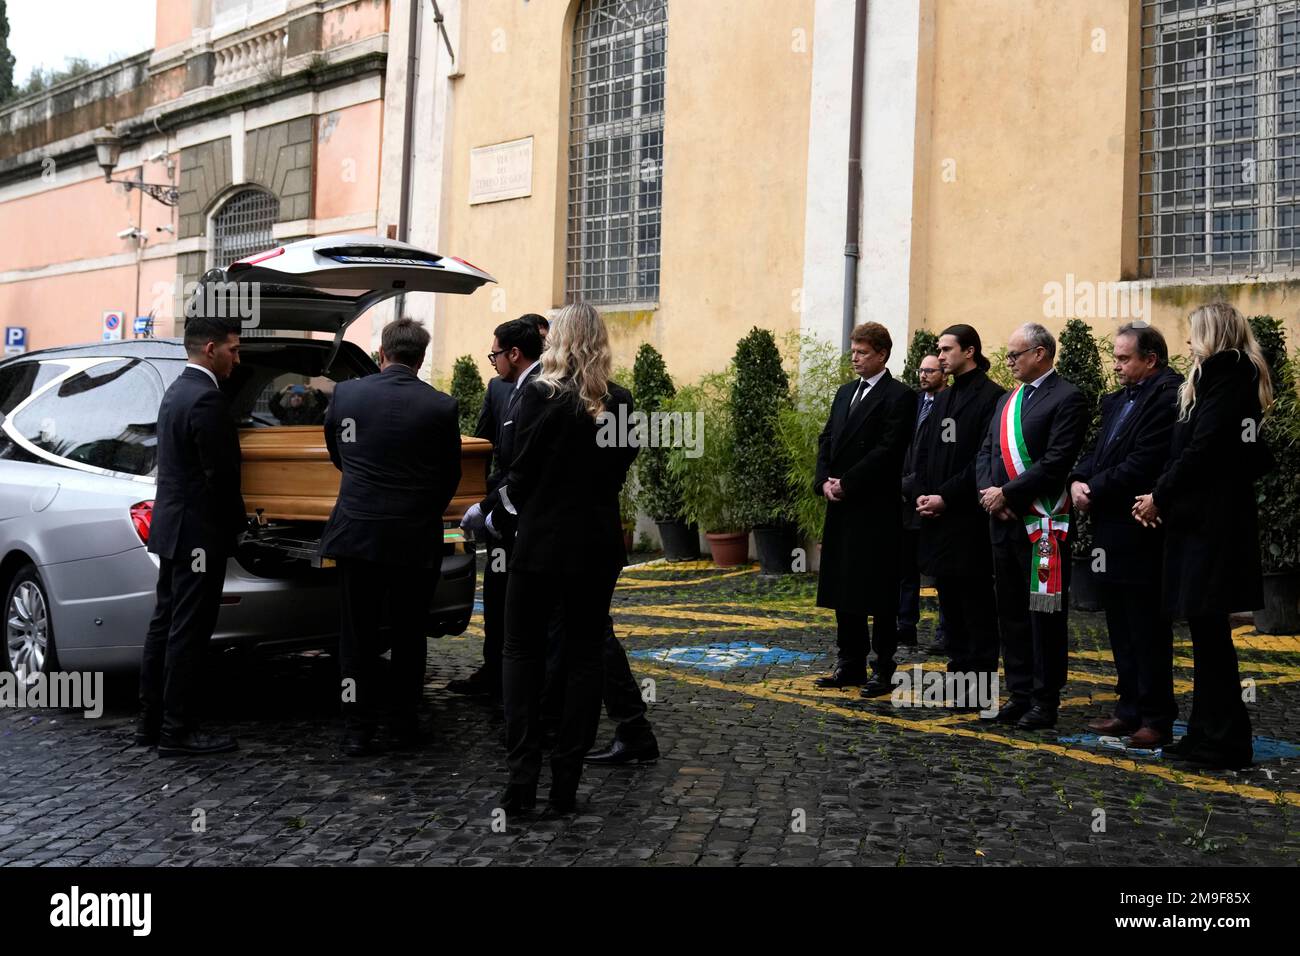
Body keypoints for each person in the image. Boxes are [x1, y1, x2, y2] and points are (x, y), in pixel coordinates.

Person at [488, 303, 637, 814]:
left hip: (540, 545)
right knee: (584, 657)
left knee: (520, 652)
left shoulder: (537, 394)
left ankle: (521, 782)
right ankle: (566, 786)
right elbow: (618, 470)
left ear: (560, 341)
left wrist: (492, 516)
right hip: (596, 546)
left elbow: (518, 471)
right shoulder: (621, 401)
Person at [1134, 303, 1274, 769]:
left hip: (1212, 526)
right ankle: (1205, 731)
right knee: (1205, 631)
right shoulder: (1221, 375)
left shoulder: (1229, 373)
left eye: (1194, 334)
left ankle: (1226, 740)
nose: (1189, 342)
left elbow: (1204, 447)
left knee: (1211, 633)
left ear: (1213, 334)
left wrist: (1160, 495)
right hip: (1203, 521)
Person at [319, 317, 462, 756]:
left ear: (382, 353)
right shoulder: (441, 406)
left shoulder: (347, 394)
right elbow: (449, 475)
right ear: (420, 359)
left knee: (355, 637)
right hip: (413, 538)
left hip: (358, 532)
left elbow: (336, 451)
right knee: (409, 635)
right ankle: (402, 724)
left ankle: (356, 729)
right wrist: (419, 510)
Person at [136, 312, 246, 757]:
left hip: (174, 530)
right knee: (189, 631)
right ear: (210, 349)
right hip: (198, 533)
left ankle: (151, 723)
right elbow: (220, 474)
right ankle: (177, 731)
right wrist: (240, 526)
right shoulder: (206, 399)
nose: (237, 360)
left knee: (164, 625)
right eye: (233, 350)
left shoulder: (177, 391)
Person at [1070, 323, 1182, 748]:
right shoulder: (1118, 400)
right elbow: (1098, 449)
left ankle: (1156, 715)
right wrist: (1079, 479)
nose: (1115, 365)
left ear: (1150, 360)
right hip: (1109, 528)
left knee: (1146, 625)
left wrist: (1094, 489)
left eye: (1123, 359)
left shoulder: (1167, 396)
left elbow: (1144, 460)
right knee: (1118, 621)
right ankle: (1128, 707)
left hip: (1140, 527)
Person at [976, 322, 1088, 730]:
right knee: (1010, 612)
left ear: (1040, 353)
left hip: (1043, 525)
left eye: (1015, 355)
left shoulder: (1068, 397)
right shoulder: (1008, 400)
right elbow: (985, 451)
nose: (1009, 362)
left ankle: (1045, 698)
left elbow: (1057, 461)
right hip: (1003, 524)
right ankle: (1019, 692)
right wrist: (988, 494)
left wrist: (1008, 494)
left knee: (1044, 613)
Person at [812, 322, 915, 697]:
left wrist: (848, 482)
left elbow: (888, 451)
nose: (854, 358)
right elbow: (827, 439)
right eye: (853, 351)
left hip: (875, 508)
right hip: (841, 505)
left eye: (862, 352)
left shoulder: (899, 396)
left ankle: (883, 668)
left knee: (879, 592)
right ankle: (849, 662)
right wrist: (823, 480)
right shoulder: (844, 394)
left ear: (882, 355)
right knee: (845, 588)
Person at [450, 318, 544, 701]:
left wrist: (491, 507)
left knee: (525, 604)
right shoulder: (499, 387)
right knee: (497, 595)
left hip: (523, 516)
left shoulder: (542, 391)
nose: (492, 360)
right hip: (502, 510)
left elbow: (526, 467)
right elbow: (486, 447)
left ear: (514, 353)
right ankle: (496, 672)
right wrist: (480, 499)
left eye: (495, 354)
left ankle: (522, 687)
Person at [913, 324, 1005, 697]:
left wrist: (945, 497)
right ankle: (957, 682)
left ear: (969, 351)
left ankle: (979, 690)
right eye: (939, 349)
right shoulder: (944, 397)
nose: (941, 355)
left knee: (976, 608)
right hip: (938, 518)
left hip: (968, 519)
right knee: (950, 608)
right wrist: (922, 493)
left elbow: (981, 461)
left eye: (947, 349)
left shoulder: (992, 397)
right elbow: (925, 451)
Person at [899, 352, 949, 652]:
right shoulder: (914, 403)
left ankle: (946, 632)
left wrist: (916, 484)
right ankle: (905, 626)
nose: (924, 375)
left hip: (933, 497)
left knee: (941, 571)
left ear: (944, 373)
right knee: (905, 568)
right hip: (905, 499)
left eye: (930, 370)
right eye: (921, 370)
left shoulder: (948, 405)